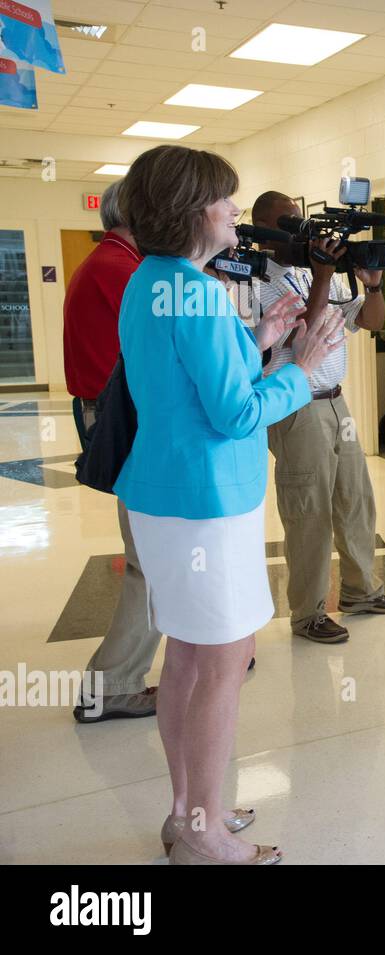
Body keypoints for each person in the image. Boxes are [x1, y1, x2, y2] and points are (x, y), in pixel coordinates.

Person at [113, 145, 341, 864]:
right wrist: (300, 370)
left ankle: (186, 812)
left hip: (167, 496)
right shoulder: (200, 292)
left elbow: (185, 378)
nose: (236, 212)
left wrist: (259, 338)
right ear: (191, 211)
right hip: (207, 503)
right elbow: (237, 414)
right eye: (225, 200)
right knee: (220, 663)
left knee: (187, 657)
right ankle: (205, 832)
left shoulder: (153, 282)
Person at [251, 191, 385, 645]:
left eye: (298, 220)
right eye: (285, 223)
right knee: (309, 511)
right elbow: (304, 338)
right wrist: (321, 275)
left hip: (337, 401)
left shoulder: (323, 275)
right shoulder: (259, 283)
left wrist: (373, 283)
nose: (298, 230)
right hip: (295, 405)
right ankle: (309, 613)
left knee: (356, 499)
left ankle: (362, 591)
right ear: (262, 229)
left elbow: (372, 322)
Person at [62, 180, 165, 723]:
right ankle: (113, 685)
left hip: (110, 413)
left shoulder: (108, 262)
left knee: (152, 558)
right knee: (148, 563)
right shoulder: (124, 271)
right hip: (124, 421)